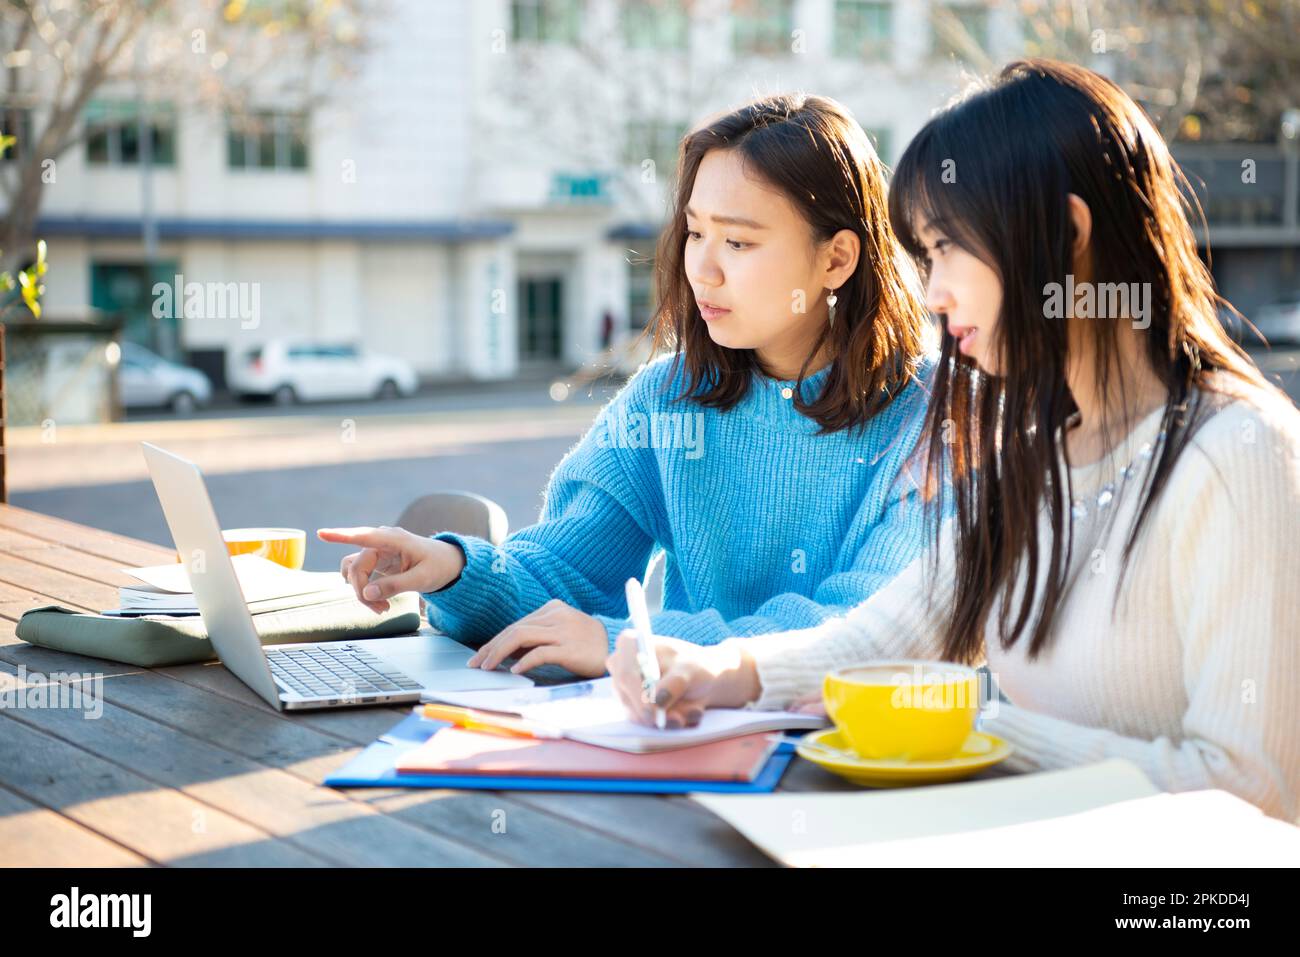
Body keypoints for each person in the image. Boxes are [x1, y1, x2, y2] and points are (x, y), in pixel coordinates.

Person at [609, 60, 1300, 822]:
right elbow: (889, 637)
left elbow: (1251, 788)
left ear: (1066, 238)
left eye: (947, 250)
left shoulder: (1240, 453)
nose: (932, 291)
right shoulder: (1031, 450)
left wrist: (982, 730)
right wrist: (720, 670)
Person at [319, 92, 939, 680]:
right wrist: (455, 572)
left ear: (835, 259)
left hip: (861, 763)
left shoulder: (932, 417)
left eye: (739, 241)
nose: (703, 267)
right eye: (696, 232)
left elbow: (864, 631)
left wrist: (636, 647)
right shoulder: (668, 397)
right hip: (679, 741)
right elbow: (567, 576)